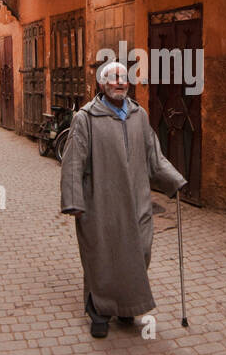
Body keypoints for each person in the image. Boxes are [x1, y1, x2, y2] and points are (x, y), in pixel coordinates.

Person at [60, 60, 186, 337]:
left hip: (137, 200)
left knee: (139, 252)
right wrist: (74, 202)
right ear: (103, 84)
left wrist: (174, 180)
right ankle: (100, 313)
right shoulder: (86, 118)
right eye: (113, 78)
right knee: (102, 257)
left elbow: (154, 154)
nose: (120, 83)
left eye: (124, 78)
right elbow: (72, 163)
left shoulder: (138, 115)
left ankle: (127, 306)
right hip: (100, 201)